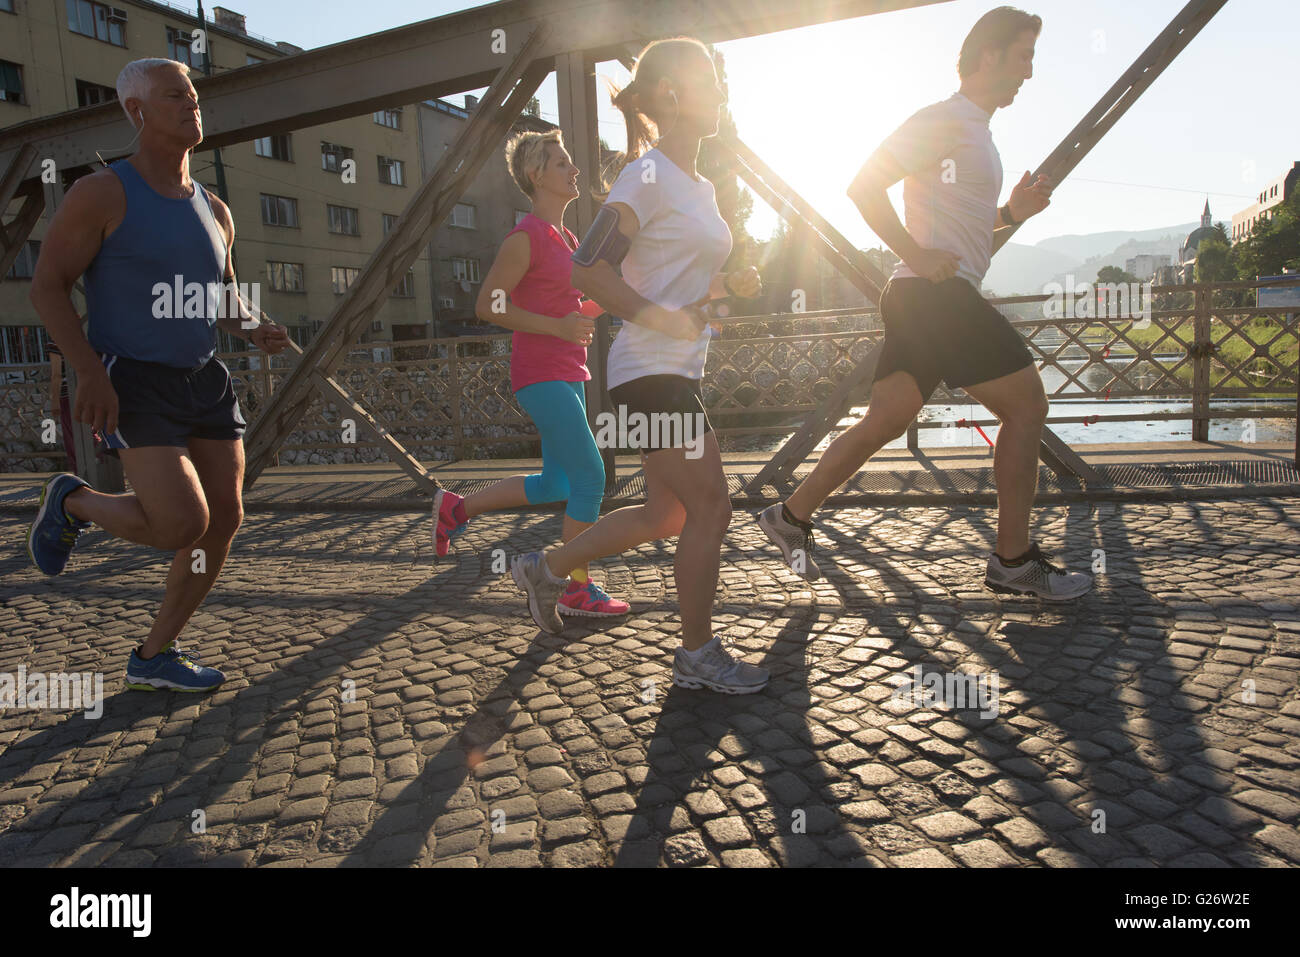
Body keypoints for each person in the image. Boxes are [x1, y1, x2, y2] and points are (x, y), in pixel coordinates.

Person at [758, 6, 1091, 601]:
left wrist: (1011, 214)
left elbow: (959, 233)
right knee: (1027, 408)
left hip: (922, 296)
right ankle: (1013, 560)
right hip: (936, 297)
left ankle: (791, 515)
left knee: (884, 420)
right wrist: (914, 248)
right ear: (987, 56)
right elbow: (862, 185)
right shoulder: (945, 120)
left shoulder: (974, 131)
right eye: (1024, 57)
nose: (1030, 74)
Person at [510, 37, 768, 694]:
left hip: (675, 371)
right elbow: (587, 266)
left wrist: (722, 286)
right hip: (647, 373)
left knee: (667, 516)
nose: (724, 93)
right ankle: (696, 654)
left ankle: (548, 567)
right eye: (710, 81)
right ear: (675, 95)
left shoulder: (700, 185)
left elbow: (669, 280)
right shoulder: (647, 175)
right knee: (713, 504)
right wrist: (657, 316)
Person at [27, 57, 290, 691]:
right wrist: (88, 371)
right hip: (132, 378)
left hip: (202, 379)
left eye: (193, 95)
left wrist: (254, 325)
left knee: (224, 521)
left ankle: (153, 657)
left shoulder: (215, 210)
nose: (191, 104)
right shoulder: (103, 193)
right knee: (180, 523)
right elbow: (46, 286)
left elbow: (218, 299)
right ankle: (74, 501)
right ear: (136, 112)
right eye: (174, 96)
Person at [432, 129, 630, 619]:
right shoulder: (525, 238)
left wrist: (613, 297)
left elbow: (574, 309)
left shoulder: (568, 239)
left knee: (556, 484)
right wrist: (558, 325)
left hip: (569, 371)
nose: (575, 169)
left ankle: (457, 509)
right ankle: (571, 585)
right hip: (539, 374)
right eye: (563, 163)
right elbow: (489, 304)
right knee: (590, 476)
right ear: (536, 174)